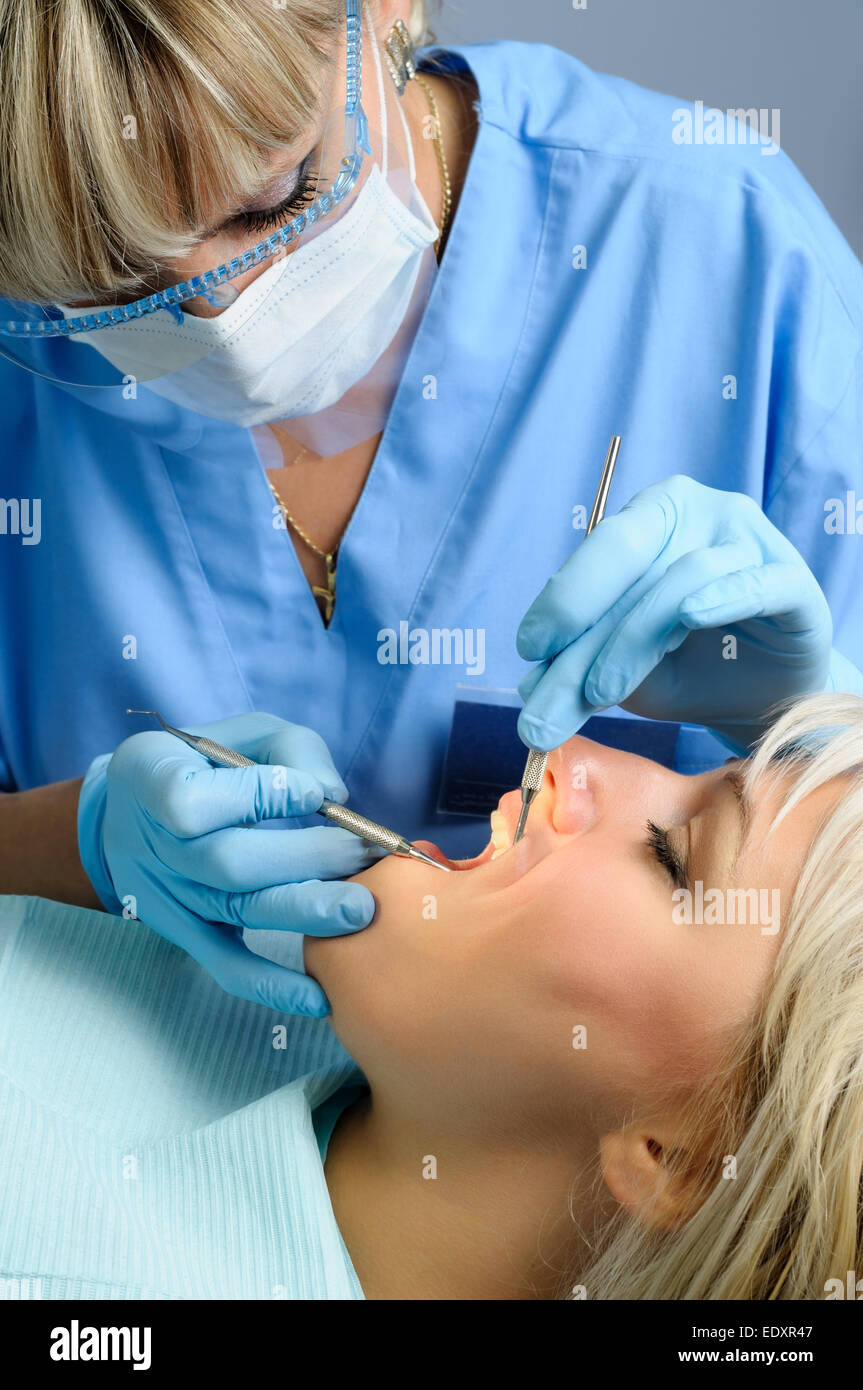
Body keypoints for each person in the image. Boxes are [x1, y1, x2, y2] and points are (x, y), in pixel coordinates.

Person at [1, 0, 862, 1016]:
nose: (216, 319)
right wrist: (81, 839)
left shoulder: (726, 257)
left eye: (269, 200)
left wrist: (824, 742)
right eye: (113, 285)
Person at [2, 690, 862, 1299]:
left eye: (670, 854)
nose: (572, 756)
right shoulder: (267, 964)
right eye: (701, 766)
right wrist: (64, 842)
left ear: (682, 1164)